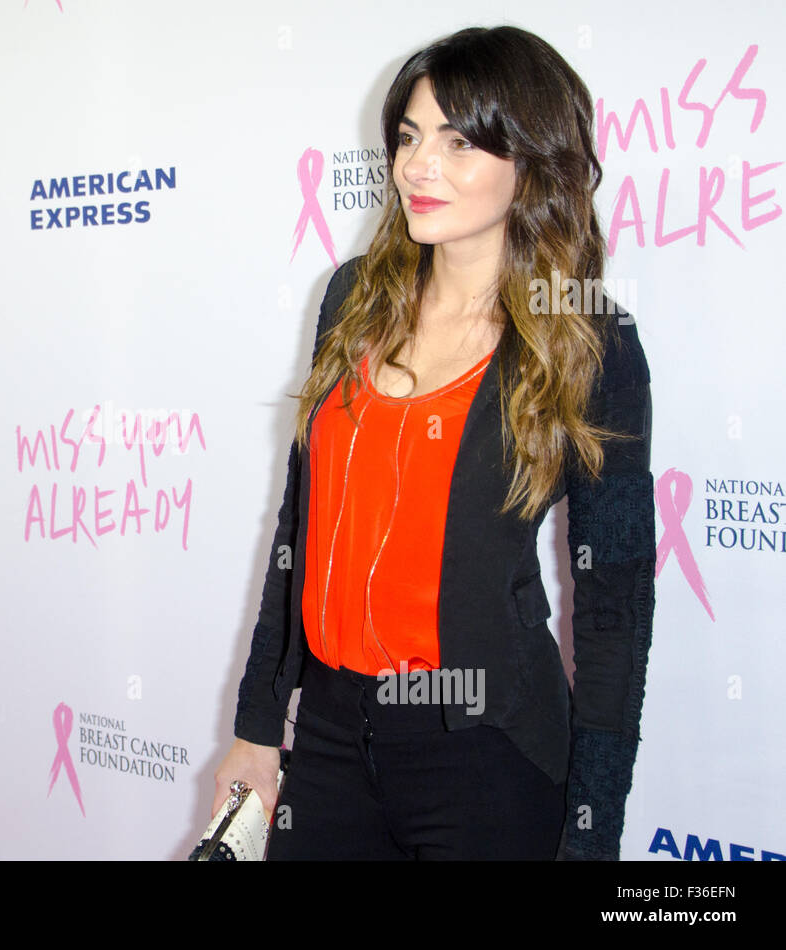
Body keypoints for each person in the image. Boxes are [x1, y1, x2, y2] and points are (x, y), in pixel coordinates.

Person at [211, 25, 656, 860]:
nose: (420, 166)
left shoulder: (588, 339)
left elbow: (615, 613)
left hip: (486, 752)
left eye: (459, 143)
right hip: (335, 739)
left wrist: (592, 836)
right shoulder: (353, 299)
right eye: (411, 137)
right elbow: (297, 529)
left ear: (532, 160)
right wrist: (259, 727)